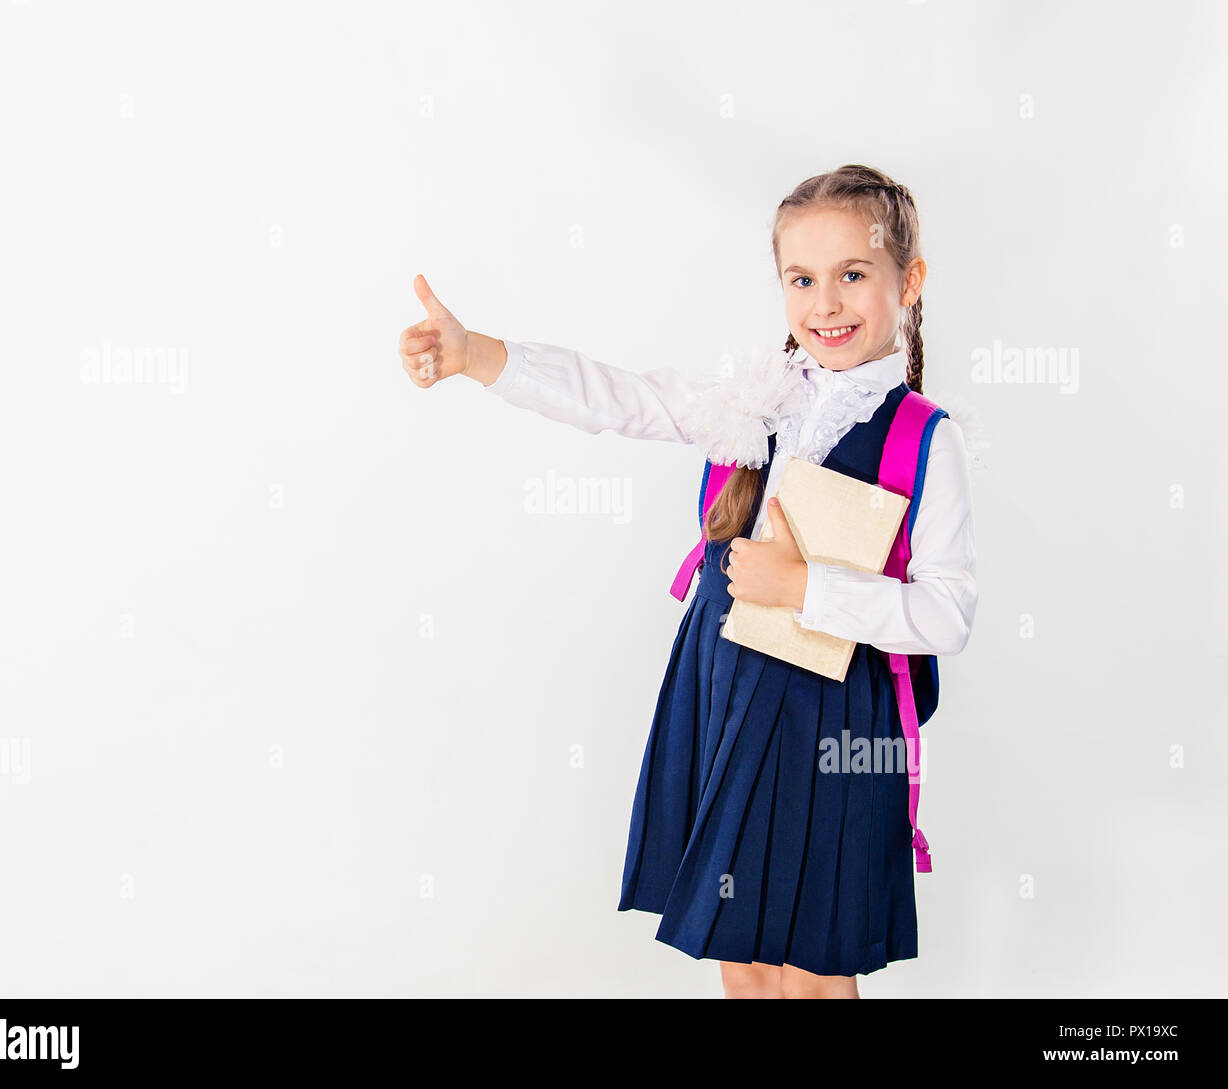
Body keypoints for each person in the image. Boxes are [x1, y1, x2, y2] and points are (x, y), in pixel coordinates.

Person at [397, 164, 978, 999]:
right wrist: (477, 355)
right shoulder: (756, 398)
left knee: (812, 970)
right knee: (741, 957)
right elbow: (622, 398)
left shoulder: (929, 440)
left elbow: (947, 614)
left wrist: (804, 587)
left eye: (854, 274)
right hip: (724, 687)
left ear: (909, 280)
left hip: (834, 722)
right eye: (803, 279)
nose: (827, 303)